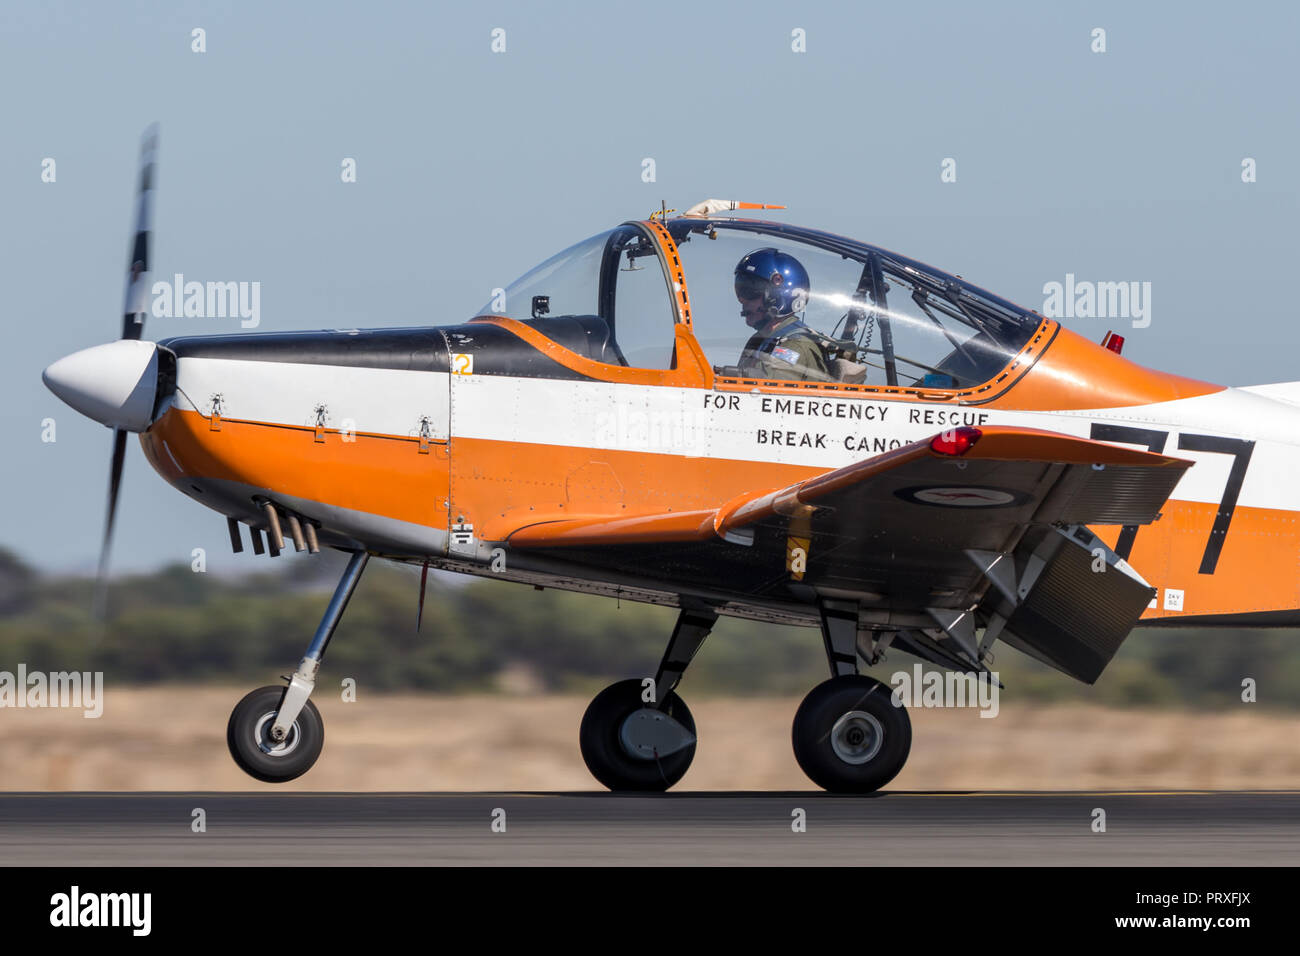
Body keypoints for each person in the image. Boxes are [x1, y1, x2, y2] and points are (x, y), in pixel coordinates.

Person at [733, 248, 833, 381]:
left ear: (777, 297)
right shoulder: (760, 340)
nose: (742, 300)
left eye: (749, 292)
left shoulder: (795, 345)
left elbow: (767, 391)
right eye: (739, 291)